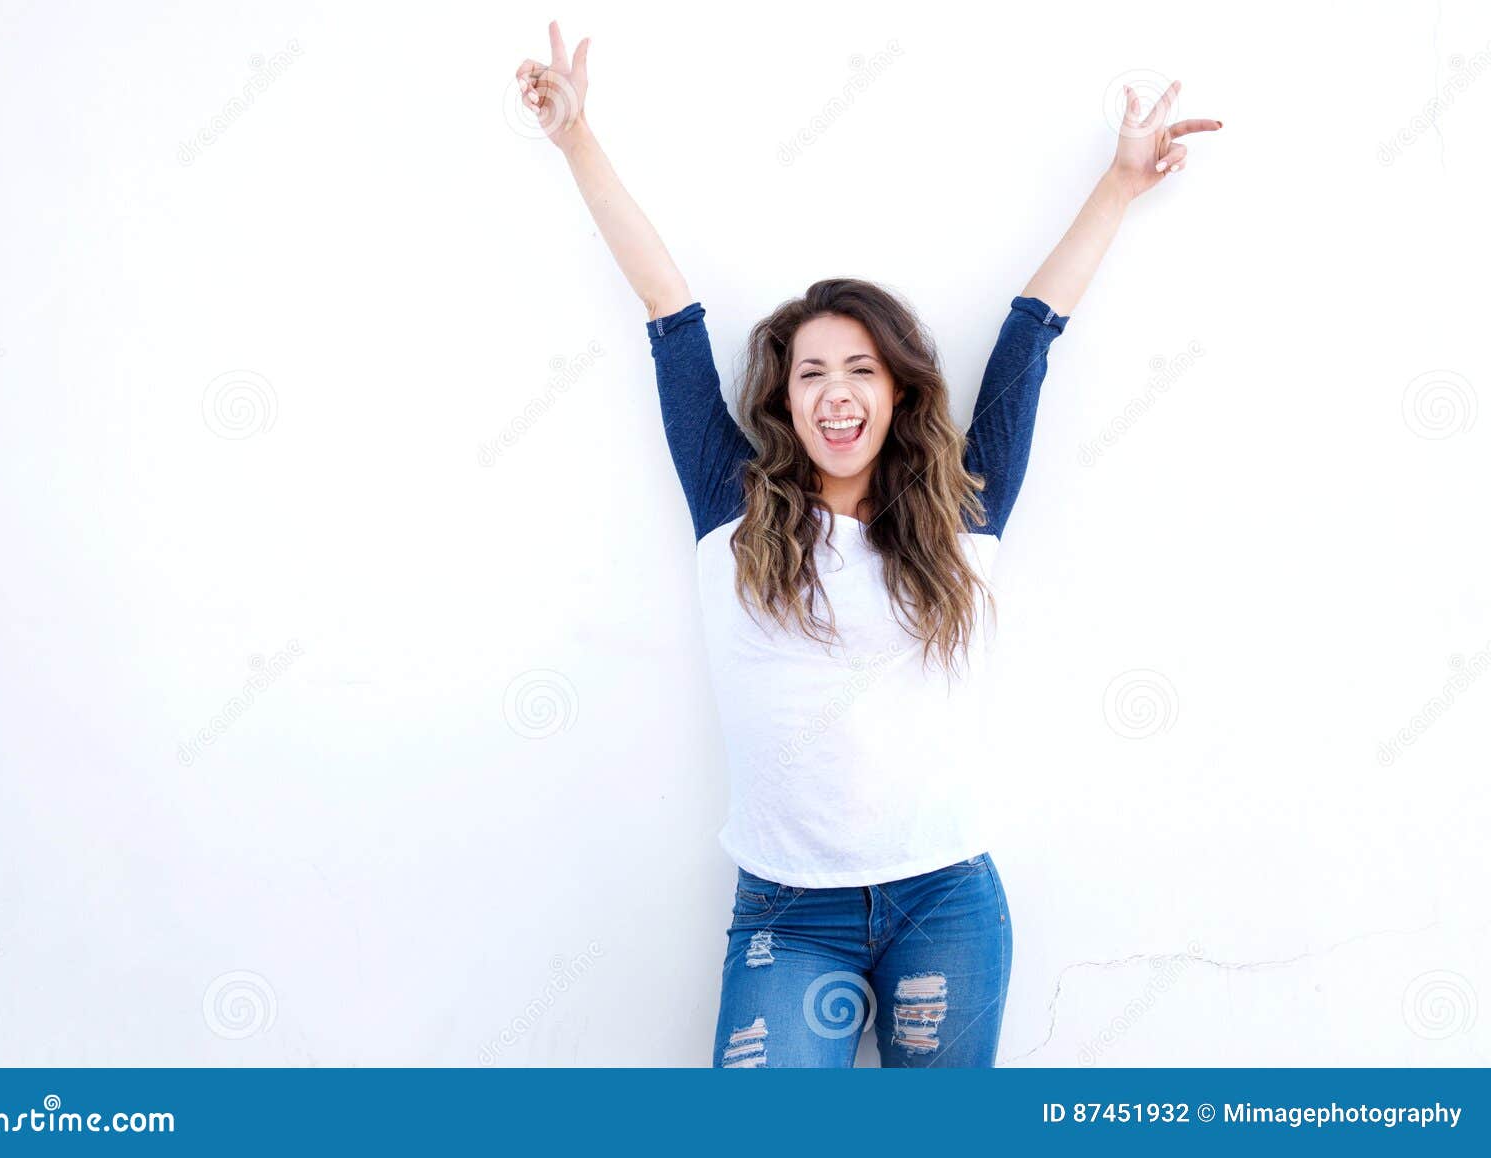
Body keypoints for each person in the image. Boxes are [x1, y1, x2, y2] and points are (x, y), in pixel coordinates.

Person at [515, 20, 1221, 1067]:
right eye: (809, 373)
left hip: (947, 902)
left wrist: (1118, 185)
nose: (835, 392)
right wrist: (577, 142)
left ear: (896, 392)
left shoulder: (962, 516)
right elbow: (668, 306)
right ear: (783, 399)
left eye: (859, 370)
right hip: (786, 917)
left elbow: (1032, 330)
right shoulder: (732, 507)